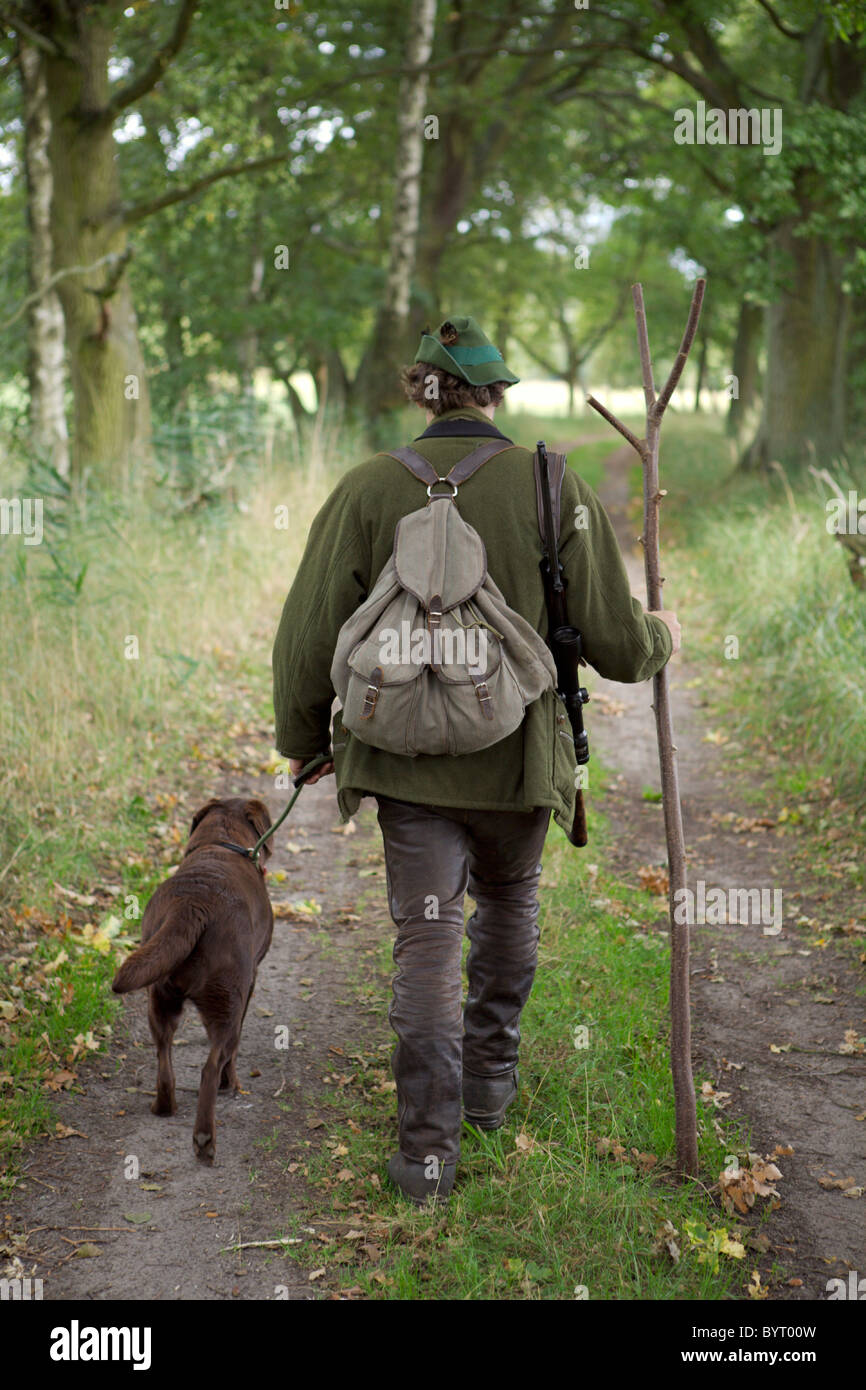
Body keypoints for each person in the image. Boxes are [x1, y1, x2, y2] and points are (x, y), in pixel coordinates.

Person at [271, 315, 681, 1206]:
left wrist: (304, 741)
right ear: (497, 395)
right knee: (508, 905)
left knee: (426, 938)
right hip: (517, 757)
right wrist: (661, 639)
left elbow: (306, 634)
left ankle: (425, 1155)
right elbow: (614, 643)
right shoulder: (548, 482)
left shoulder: (367, 487)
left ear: (422, 392)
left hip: (402, 762)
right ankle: (490, 1093)